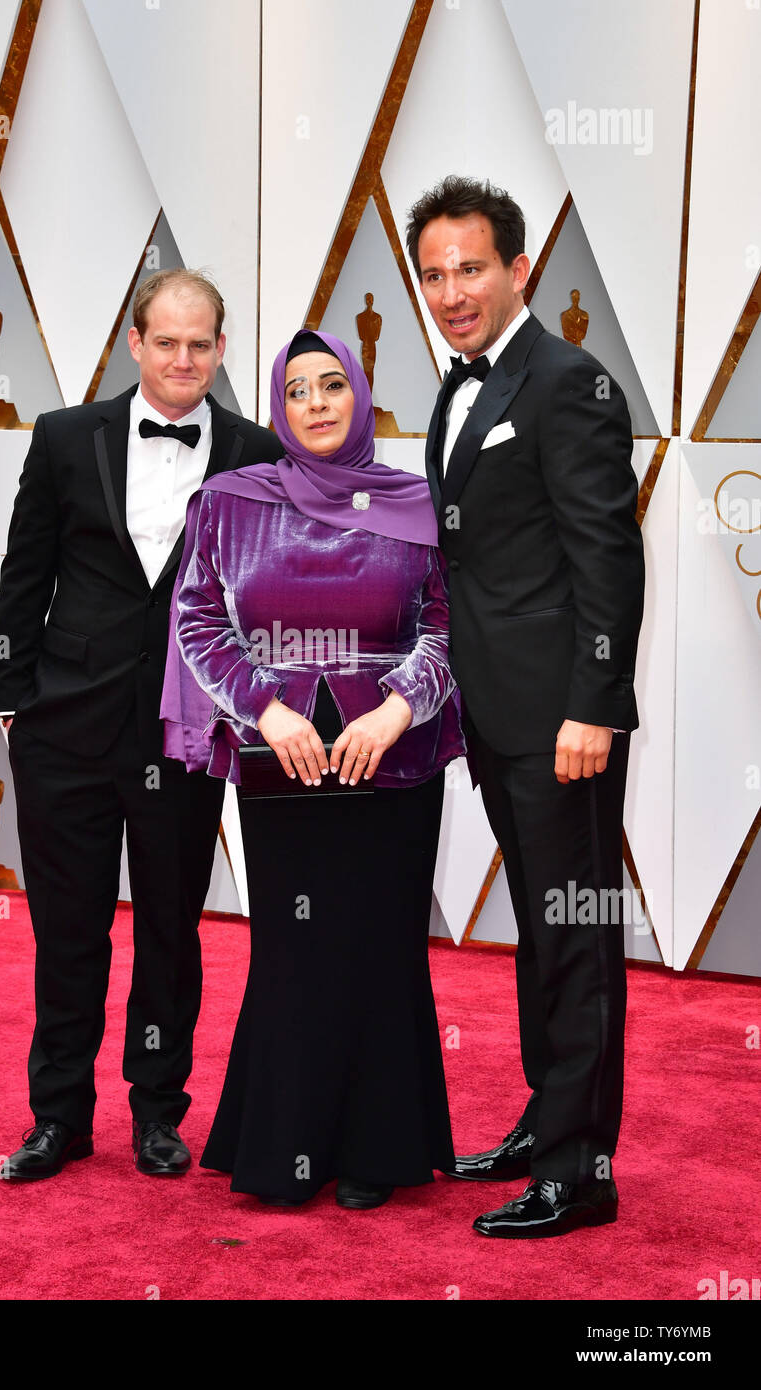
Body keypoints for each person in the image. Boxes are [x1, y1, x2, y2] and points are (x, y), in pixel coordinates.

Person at [0, 268, 283, 1182]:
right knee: (66, 930)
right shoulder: (66, 437)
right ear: (135, 344)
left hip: (185, 734)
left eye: (201, 344)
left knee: (168, 928)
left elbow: (267, 590)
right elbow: (24, 568)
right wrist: (10, 693)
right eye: (167, 342)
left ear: (221, 350)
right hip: (64, 728)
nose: (183, 359)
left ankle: (158, 1113)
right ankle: (59, 1117)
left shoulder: (255, 451)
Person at [161, 329, 464, 1209]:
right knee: (293, 950)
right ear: (278, 408)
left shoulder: (414, 504)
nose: (317, 403)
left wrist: (399, 705)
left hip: (394, 764)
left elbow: (445, 627)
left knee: (379, 946)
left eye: (333, 385)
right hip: (279, 763)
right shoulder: (230, 500)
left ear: (361, 395)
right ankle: (286, 1144)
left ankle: (377, 1149)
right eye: (297, 391)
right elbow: (199, 621)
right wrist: (265, 706)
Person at [407, 175, 645, 1238]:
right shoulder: (463, 384)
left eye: (470, 268)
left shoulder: (569, 383)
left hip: (564, 726)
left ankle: (580, 1170)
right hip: (500, 720)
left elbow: (609, 559)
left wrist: (595, 702)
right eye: (434, 273)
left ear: (519, 270)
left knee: (578, 934)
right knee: (543, 935)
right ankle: (548, 1123)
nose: (452, 291)